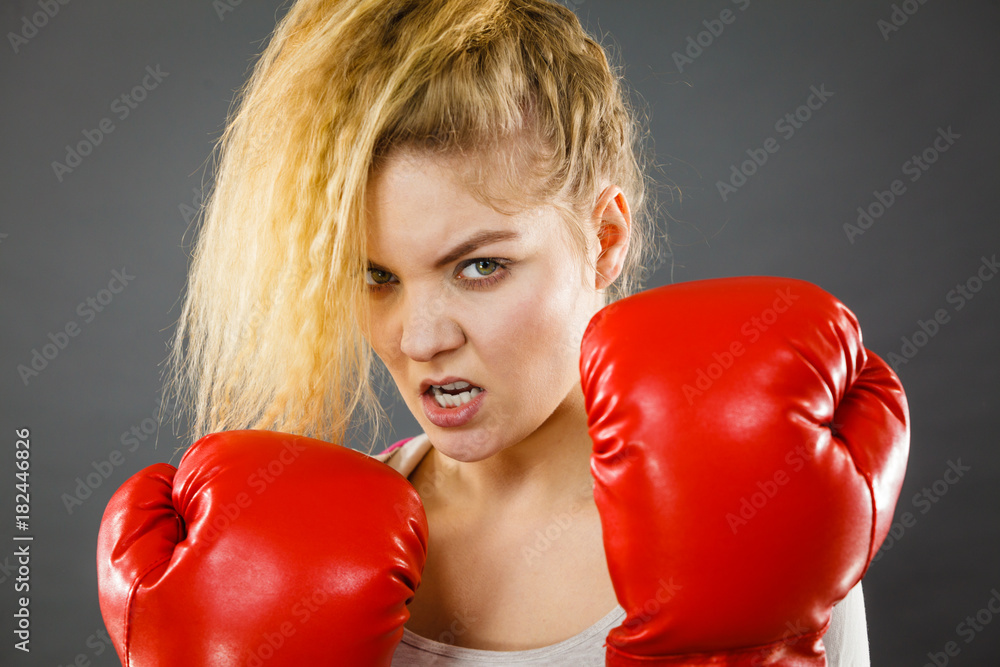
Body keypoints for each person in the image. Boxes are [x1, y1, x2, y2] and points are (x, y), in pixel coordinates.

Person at [97, 1, 908, 665]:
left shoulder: (762, 507)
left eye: (479, 267)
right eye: (375, 276)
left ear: (606, 237)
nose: (418, 338)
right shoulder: (281, 565)